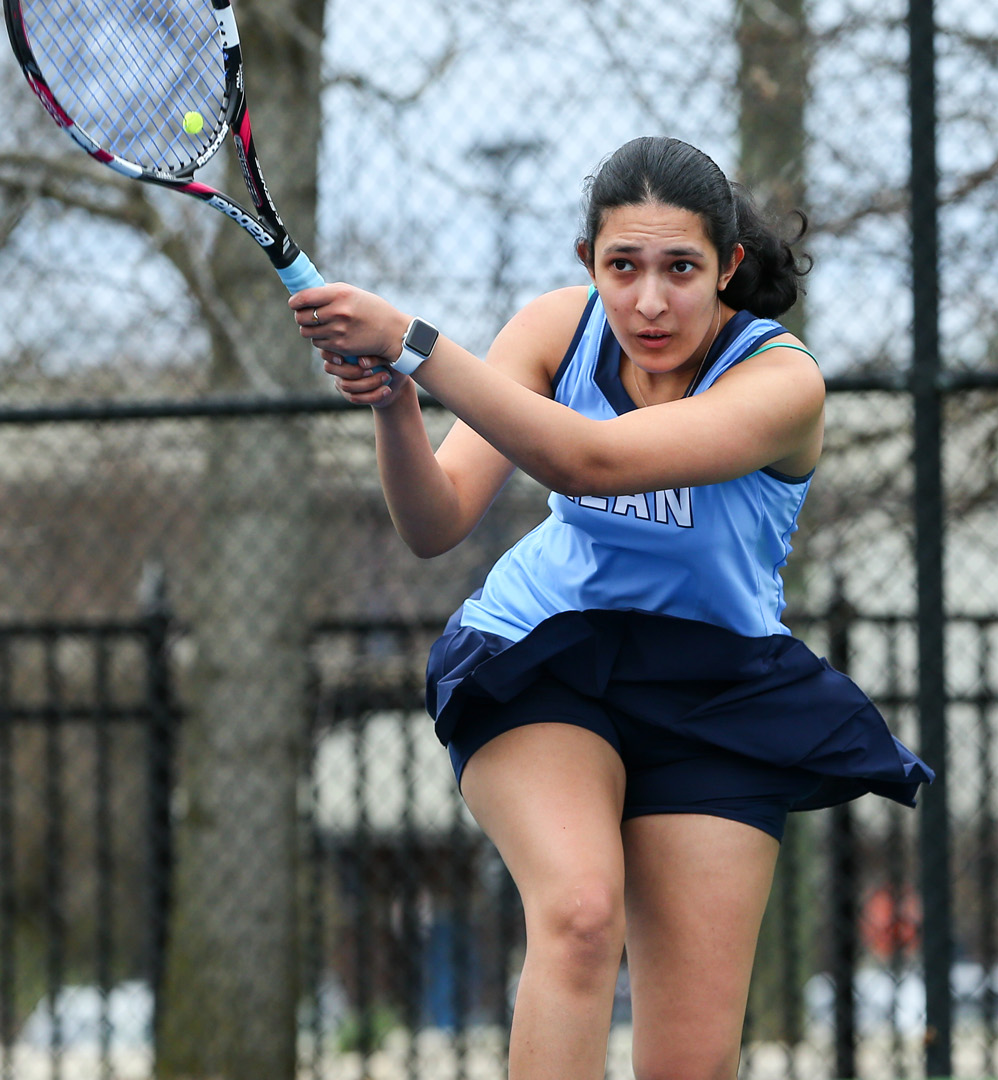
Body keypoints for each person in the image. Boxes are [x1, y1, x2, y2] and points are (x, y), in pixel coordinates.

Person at [290, 135, 931, 1078]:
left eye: (681, 268)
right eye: (622, 266)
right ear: (588, 261)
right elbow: (435, 522)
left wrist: (413, 343)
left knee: (689, 1064)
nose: (650, 300)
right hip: (545, 655)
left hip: (717, 690)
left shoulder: (781, 380)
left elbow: (592, 460)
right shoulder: (557, 330)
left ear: (728, 267)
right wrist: (396, 404)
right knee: (583, 915)